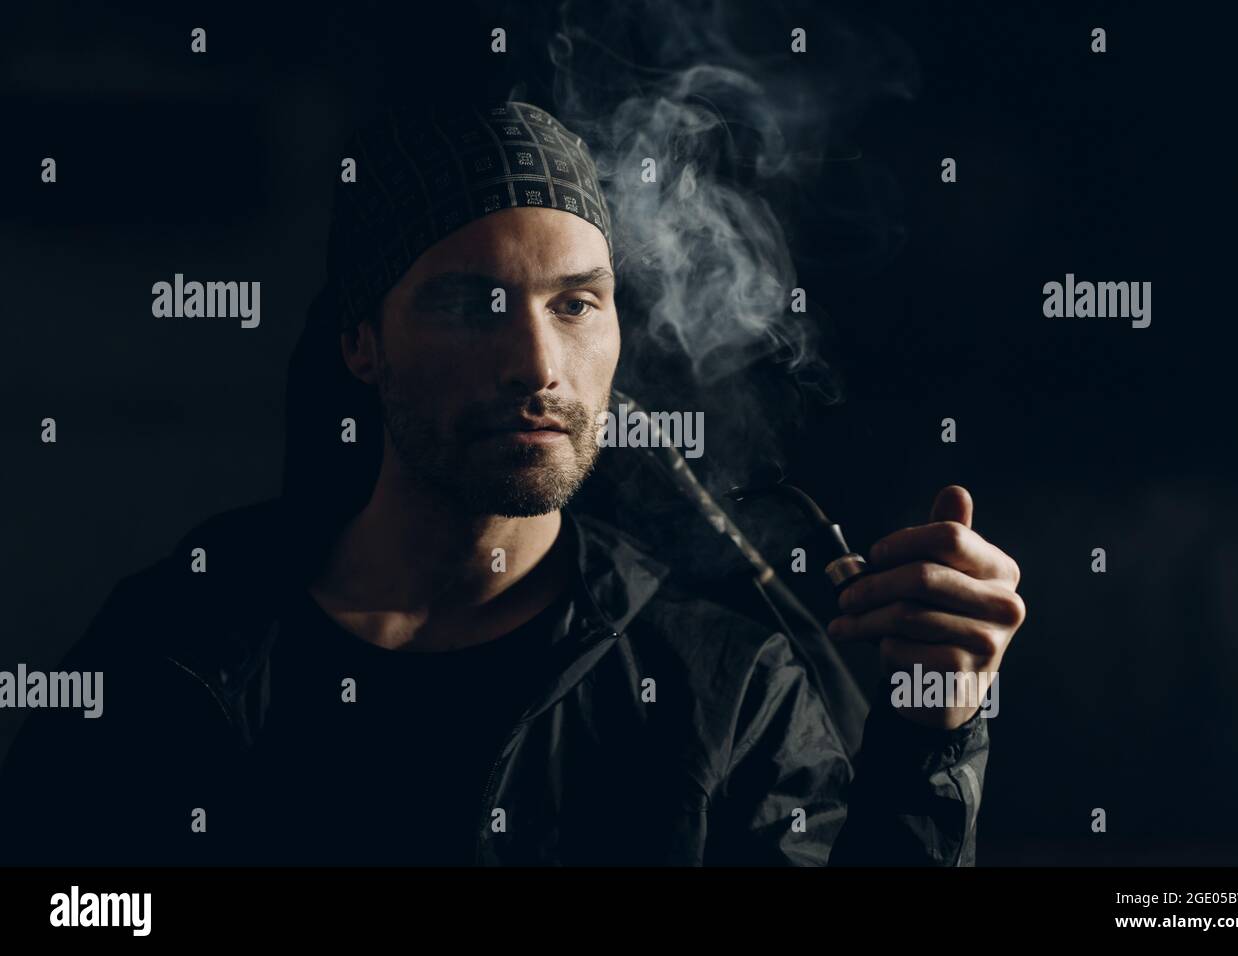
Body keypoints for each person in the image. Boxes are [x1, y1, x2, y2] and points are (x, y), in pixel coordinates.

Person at [0, 100, 1025, 866]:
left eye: (576, 305)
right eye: (471, 303)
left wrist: (932, 737)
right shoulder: (182, 648)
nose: (537, 363)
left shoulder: (723, 686)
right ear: (363, 342)